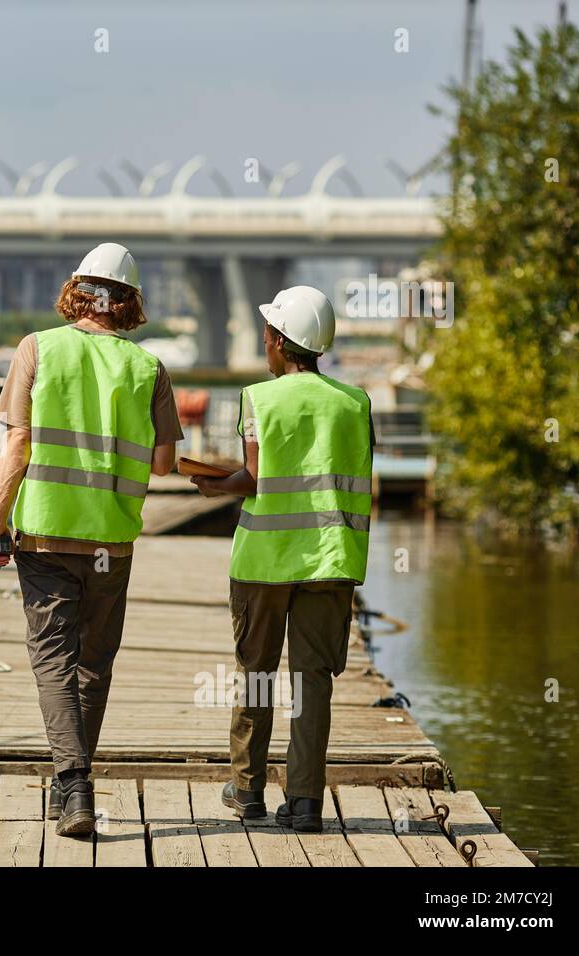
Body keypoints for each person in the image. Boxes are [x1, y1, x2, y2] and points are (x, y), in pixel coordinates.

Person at [0, 243, 183, 837]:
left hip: (44, 531)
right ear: (129, 301)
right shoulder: (150, 369)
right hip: (111, 540)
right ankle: (72, 785)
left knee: (52, 660)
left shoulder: (37, 348)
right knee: (94, 663)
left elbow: (18, 443)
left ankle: (74, 786)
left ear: (77, 291)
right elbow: (166, 464)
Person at [190, 285, 373, 833]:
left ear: (277, 343)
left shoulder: (258, 398)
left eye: (267, 336)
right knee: (314, 679)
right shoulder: (356, 402)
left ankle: (247, 792)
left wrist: (210, 484)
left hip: (265, 561)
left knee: (257, 674)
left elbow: (253, 477)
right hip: (332, 560)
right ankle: (306, 802)